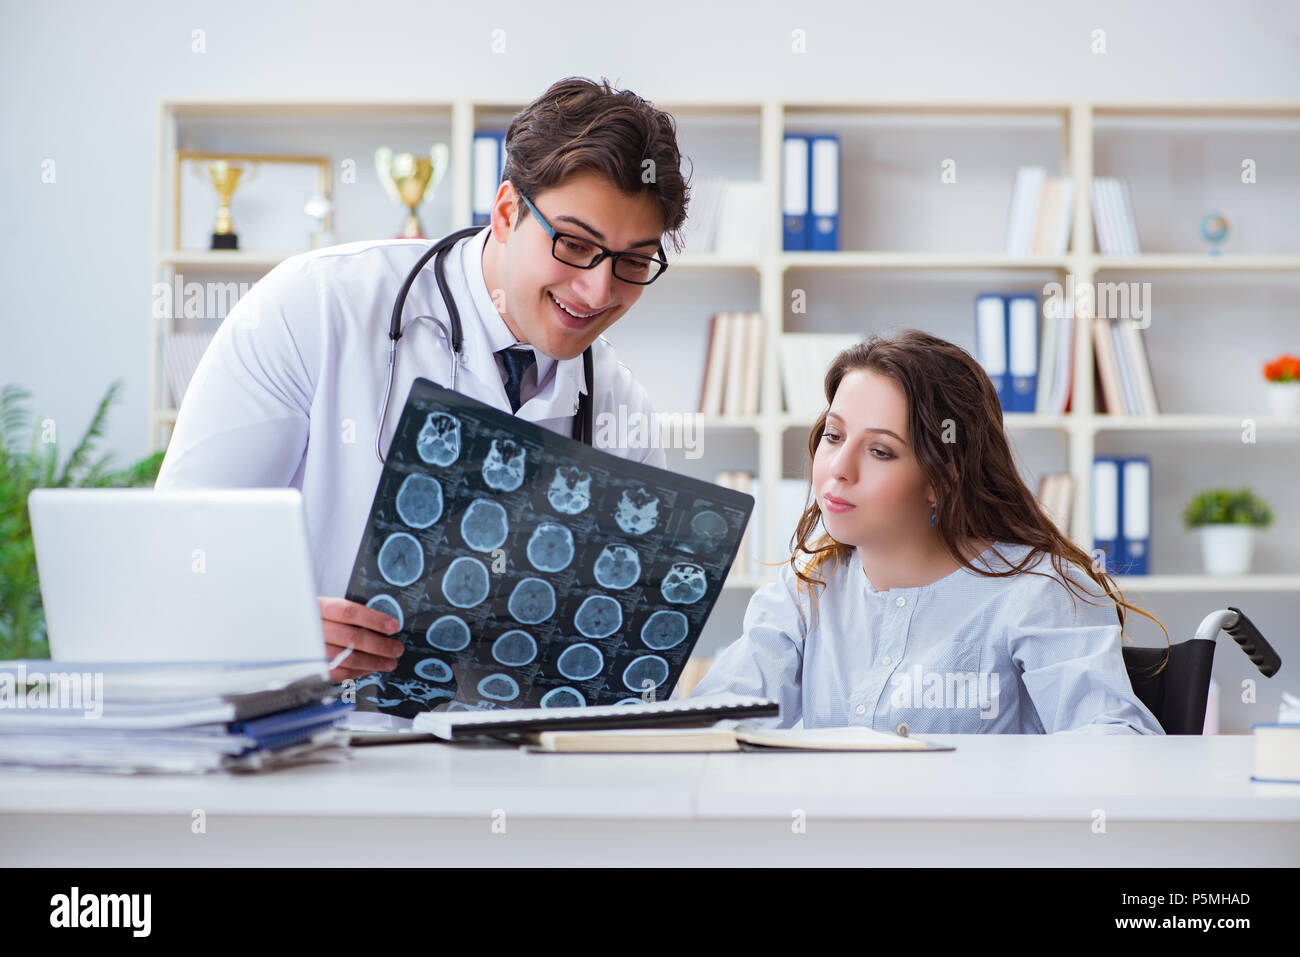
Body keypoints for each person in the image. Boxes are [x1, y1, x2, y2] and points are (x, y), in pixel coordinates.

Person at [154, 77, 690, 683]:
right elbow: (179, 550)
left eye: (635, 261)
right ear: (509, 212)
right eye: (573, 244)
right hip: (306, 736)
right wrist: (274, 629)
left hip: (512, 764)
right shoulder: (317, 305)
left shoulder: (622, 410)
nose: (598, 290)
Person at [690, 329, 1168, 734]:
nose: (838, 468)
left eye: (881, 451)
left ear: (942, 479)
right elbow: (714, 728)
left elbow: (1113, 743)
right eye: (833, 436)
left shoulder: (1037, 593)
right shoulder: (807, 590)